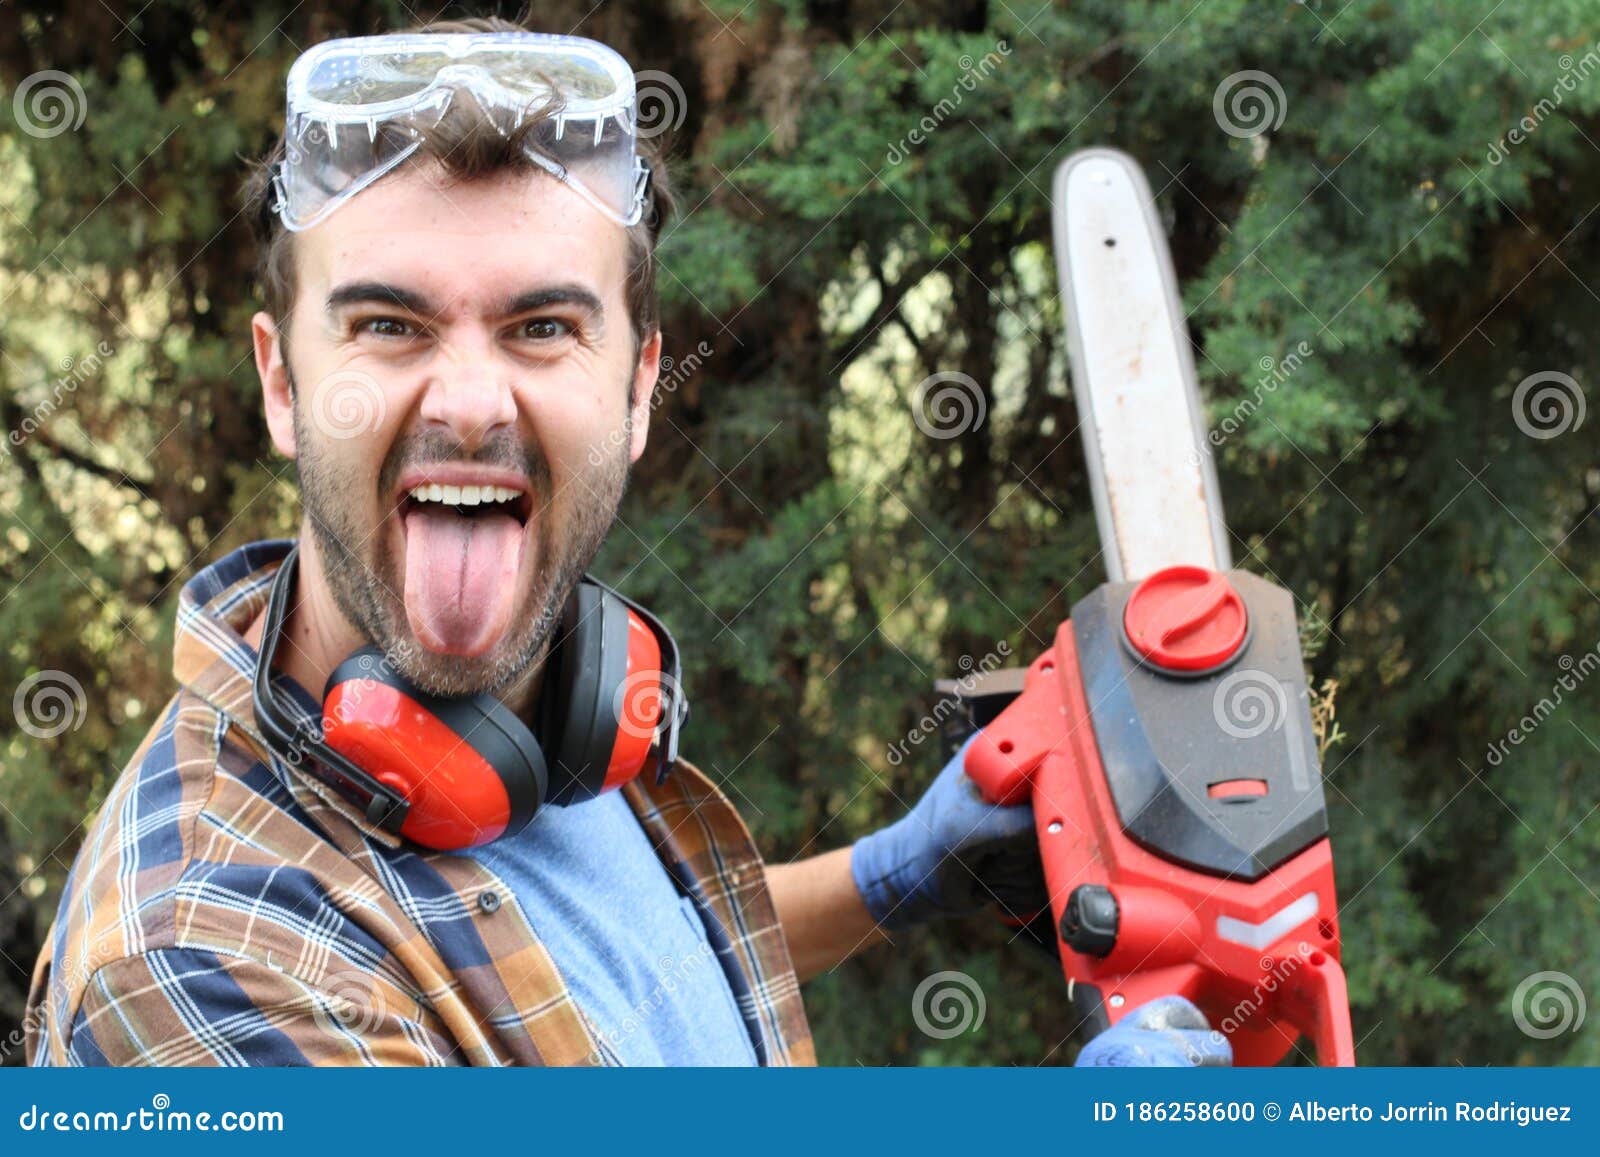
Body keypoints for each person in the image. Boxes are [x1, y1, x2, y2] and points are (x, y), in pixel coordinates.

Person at [22, 15, 1224, 1068]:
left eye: (542, 326)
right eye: (389, 323)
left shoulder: (547, 723)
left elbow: (604, 1001)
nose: (470, 401)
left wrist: (891, 878)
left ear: (639, 386)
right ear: (283, 383)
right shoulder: (199, 971)